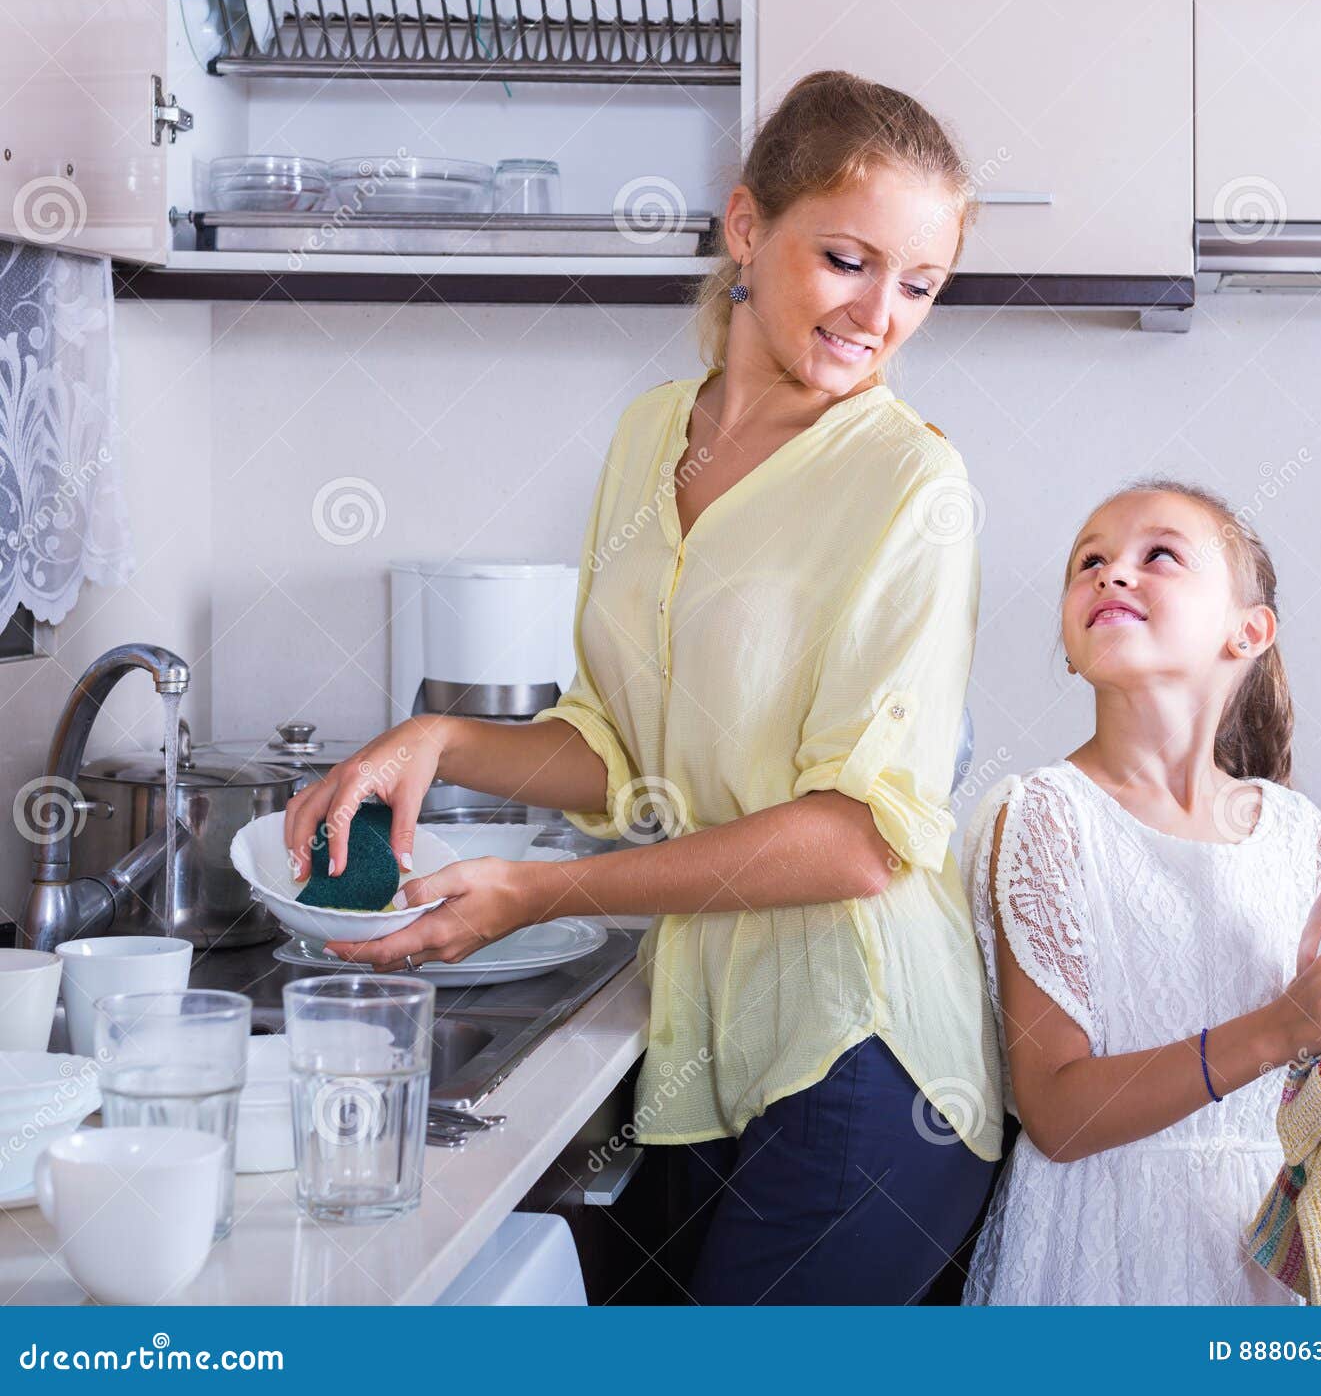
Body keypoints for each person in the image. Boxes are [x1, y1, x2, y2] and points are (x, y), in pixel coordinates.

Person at [284, 70, 1002, 1305]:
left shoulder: (909, 488)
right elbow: (625, 754)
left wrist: (539, 890)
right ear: (744, 229)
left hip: (862, 1058)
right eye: (846, 258)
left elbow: (856, 840)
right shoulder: (648, 436)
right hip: (700, 1057)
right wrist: (436, 739)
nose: (879, 312)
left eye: (920, 284)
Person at [959, 480, 1321, 1305]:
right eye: (1091, 561)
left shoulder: (1305, 836)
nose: (1112, 574)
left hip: (1263, 1255)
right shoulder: (1040, 816)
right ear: (1071, 647)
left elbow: (1312, 1088)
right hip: (1096, 1250)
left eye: (1159, 555)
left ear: (1247, 631)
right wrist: (1282, 1023)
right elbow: (1057, 1115)